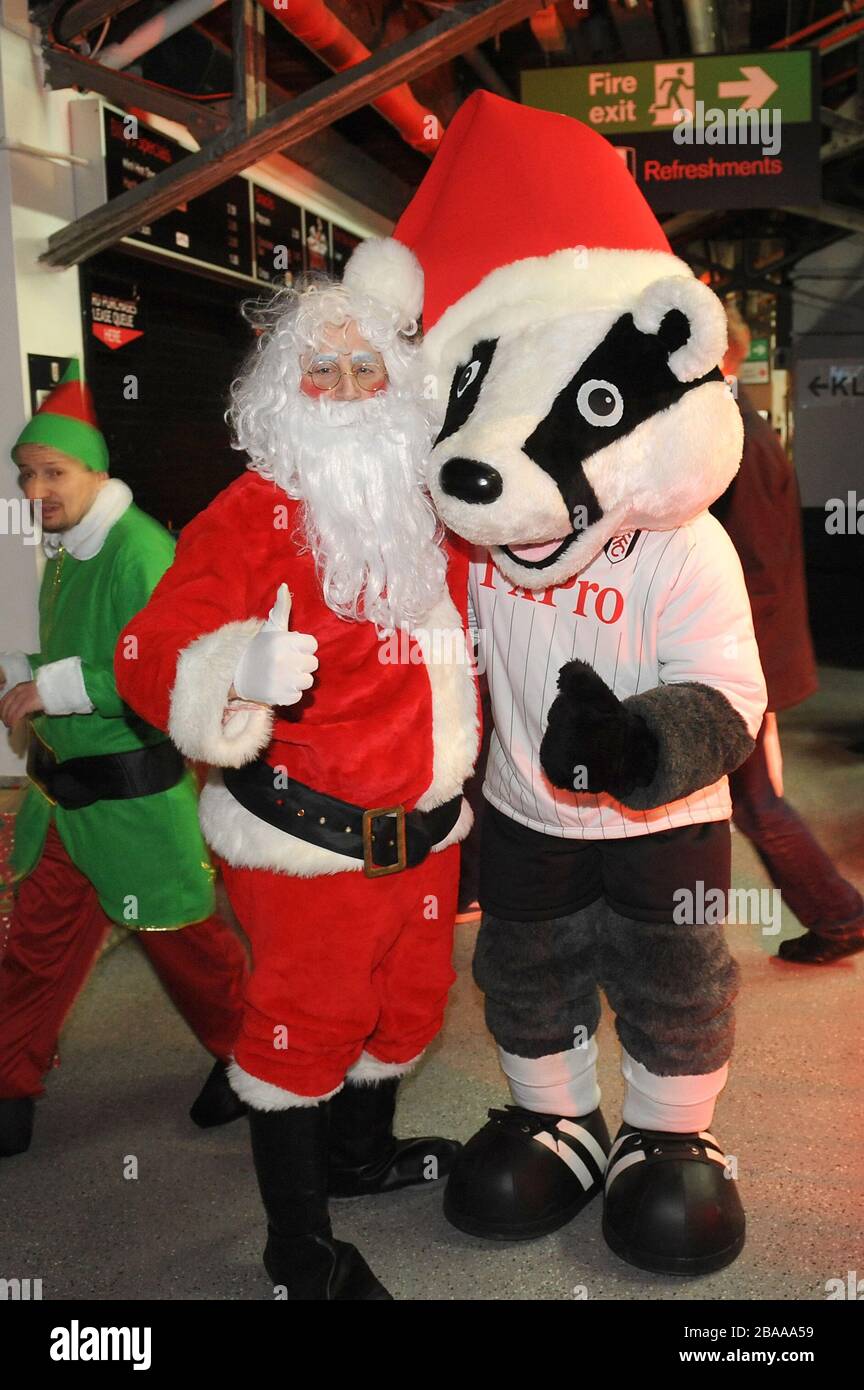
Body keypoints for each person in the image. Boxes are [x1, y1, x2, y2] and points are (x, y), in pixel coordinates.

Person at [367, 90, 768, 1275]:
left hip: (668, 819)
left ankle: (669, 1136)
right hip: (529, 813)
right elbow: (442, 658)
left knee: (673, 971)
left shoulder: (686, 544)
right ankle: (557, 1113)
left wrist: (639, 747)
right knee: (528, 967)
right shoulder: (475, 550)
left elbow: (728, 695)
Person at [115, 258, 480, 1301]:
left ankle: (360, 1162)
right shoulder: (248, 514)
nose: (357, 386)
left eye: (373, 365)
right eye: (327, 370)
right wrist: (235, 668)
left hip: (426, 841)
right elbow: (146, 656)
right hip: (308, 848)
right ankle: (298, 1253)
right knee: (299, 1037)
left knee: (406, 1009)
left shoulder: (425, 505)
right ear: (286, 392)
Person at [0, 364, 249, 1159]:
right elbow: (86, 651)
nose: (38, 489)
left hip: (136, 807)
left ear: (96, 472)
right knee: (33, 949)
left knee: (192, 953)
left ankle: (251, 1061)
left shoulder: (138, 550)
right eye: (27, 475)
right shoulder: (71, 547)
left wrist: (56, 689)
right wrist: (25, 673)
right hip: (63, 805)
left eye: (54, 472)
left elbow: (163, 676)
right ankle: (9, 1081)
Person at [714, 307, 864, 965]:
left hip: (735, 659)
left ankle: (840, 915)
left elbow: (752, 563)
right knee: (754, 802)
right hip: (748, 655)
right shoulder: (743, 427)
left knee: (758, 804)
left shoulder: (732, 436)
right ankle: (837, 914)